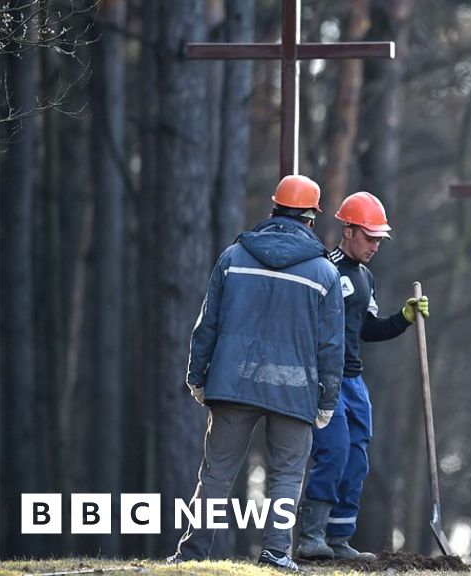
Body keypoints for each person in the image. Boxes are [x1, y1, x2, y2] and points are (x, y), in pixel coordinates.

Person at [168, 175, 345, 572]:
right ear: (310, 218)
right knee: (287, 475)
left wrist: (198, 376)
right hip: (294, 389)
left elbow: (207, 323)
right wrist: (327, 400)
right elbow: (331, 346)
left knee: (216, 473)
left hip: (232, 381)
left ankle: (193, 554)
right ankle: (276, 553)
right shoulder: (324, 273)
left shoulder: (233, 257)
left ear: (273, 210)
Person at [296, 191, 429, 561]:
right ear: (348, 230)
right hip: (326, 378)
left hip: (355, 383)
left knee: (356, 459)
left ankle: (339, 539)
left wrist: (403, 318)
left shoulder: (367, 278)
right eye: (369, 238)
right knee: (334, 451)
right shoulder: (324, 269)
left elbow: (367, 329)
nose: (375, 246)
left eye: (379, 240)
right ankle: (311, 537)